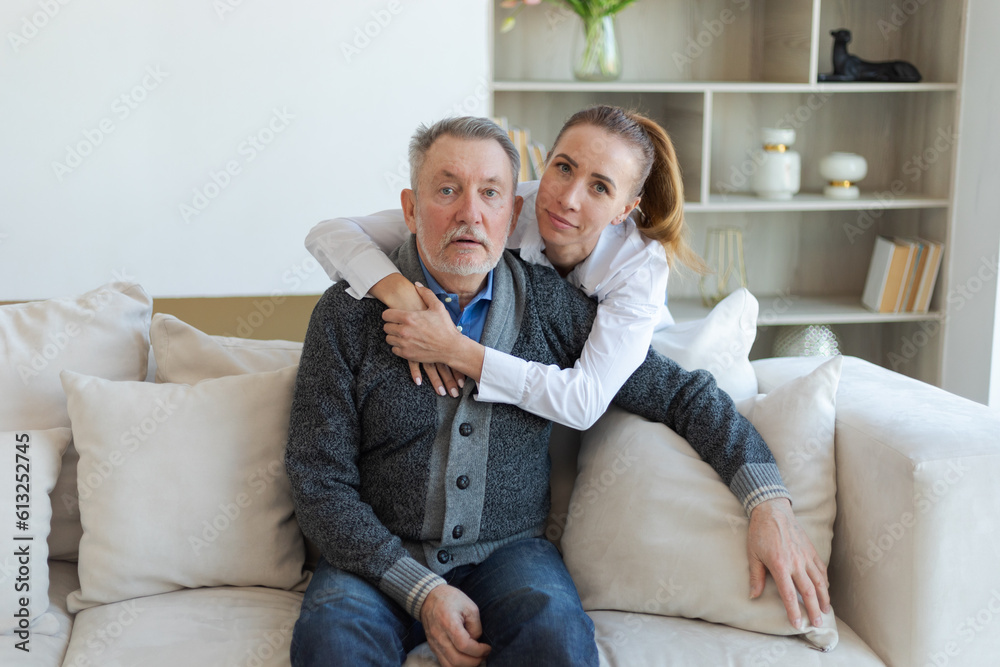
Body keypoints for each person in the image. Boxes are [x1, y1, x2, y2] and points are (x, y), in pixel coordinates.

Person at [286, 116, 830, 667]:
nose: (470, 213)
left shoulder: (555, 308)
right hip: (377, 556)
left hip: (510, 556)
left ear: (513, 212)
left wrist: (768, 502)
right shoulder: (346, 315)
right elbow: (318, 479)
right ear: (410, 209)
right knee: (332, 642)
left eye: (490, 194)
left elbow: (682, 395)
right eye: (447, 190)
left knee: (558, 641)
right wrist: (420, 589)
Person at [305, 105, 703, 431]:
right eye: (564, 168)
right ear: (544, 164)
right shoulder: (500, 208)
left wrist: (455, 349)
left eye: (600, 187)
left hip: (627, 350)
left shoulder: (638, 267)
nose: (567, 199)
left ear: (624, 210)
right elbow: (331, 233)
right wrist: (401, 294)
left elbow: (585, 402)